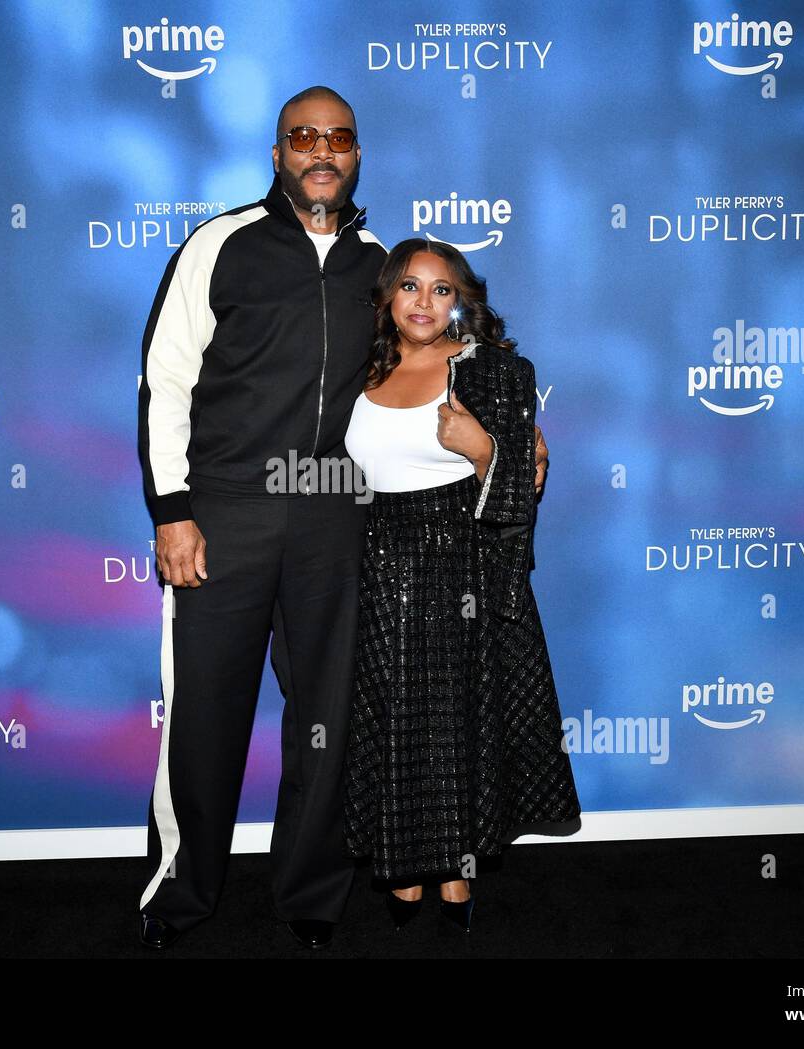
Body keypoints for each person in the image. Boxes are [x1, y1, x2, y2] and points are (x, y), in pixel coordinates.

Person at [135, 85, 387, 949]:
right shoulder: (220, 244)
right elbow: (164, 383)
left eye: (339, 138)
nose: (322, 150)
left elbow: (424, 376)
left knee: (329, 714)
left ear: (357, 155)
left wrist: (508, 433)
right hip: (228, 512)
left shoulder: (381, 262)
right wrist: (174, 512)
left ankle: (312, 898)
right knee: (205, 715)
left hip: (332, 516)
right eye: (303, 136)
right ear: (276, 153)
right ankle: (180, 898)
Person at [342, 239, 581, 932]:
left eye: (440, 289)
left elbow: (519, 491)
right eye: (409, 286)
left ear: (462, 300)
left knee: (452, 722)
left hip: (460, 564)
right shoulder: (356, 371)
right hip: (374, 562)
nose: (423, 302)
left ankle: (454, 873)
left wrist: (486, 451)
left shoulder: (495, 373)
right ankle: (405, 866)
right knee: (390, 720)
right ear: (388, 295)